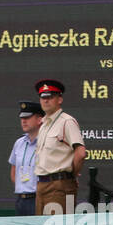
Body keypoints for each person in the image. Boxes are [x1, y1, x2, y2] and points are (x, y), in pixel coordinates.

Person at [30, 78, 83, 215]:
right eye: (43, 97)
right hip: (41, 184)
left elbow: (80, 153)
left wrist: (72, 174)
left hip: (59, 185)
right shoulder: (43, 125)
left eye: (50, 97)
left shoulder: (67, 121)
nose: (46, 100)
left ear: (60, 99)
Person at [8, 101, 41, 215]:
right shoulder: (19, 143)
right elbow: (13, 171)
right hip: (21, 200)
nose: (23, 121)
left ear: (39, 119)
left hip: (39, 198)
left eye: (27, 117)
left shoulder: (47, 142)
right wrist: (22, 187)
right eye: (22, 118)